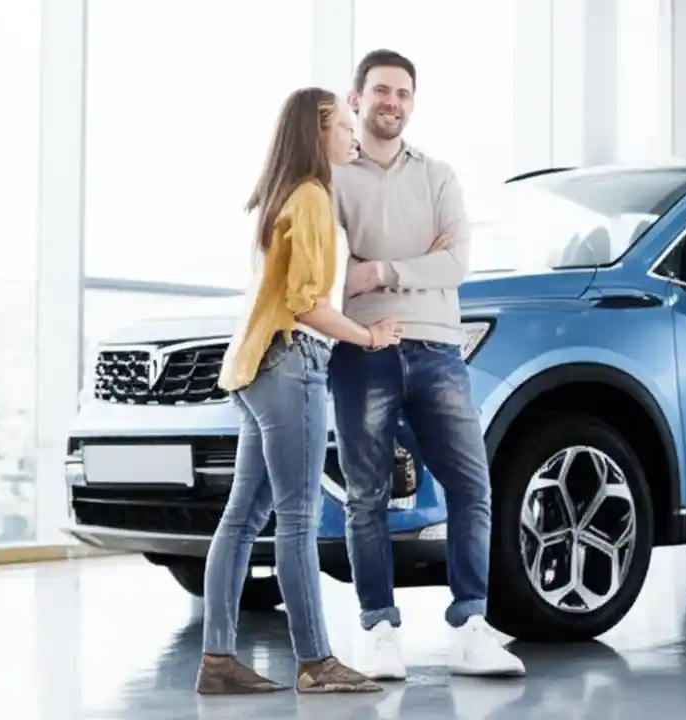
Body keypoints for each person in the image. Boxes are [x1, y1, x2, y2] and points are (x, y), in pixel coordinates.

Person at [197, 87, 404, 695]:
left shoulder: (281, 197)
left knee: (243, 519)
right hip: (292, 364)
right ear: (316, 134)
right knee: (297, 518)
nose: (353, 136)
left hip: (257, 369)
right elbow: (307, 305)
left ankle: (217, 662)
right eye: (343, 126)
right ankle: (316, 662)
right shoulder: (312, 198)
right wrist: (369, 336)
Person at [328, 48, 525, 679]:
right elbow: (334, 275)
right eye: (382, 91)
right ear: (356, 99)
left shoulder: (439, 175)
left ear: (412, 103)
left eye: (403, 93)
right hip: (363, 349)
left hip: (439, 348)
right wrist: (414, 265)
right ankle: (379, 630)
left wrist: (382, 268)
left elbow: (455, 265)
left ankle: (471, 625)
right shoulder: (333, 178)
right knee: (367, 496)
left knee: (472, 486)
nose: (393, 102)